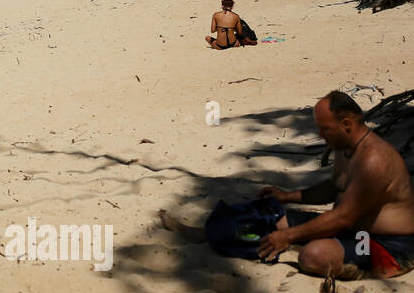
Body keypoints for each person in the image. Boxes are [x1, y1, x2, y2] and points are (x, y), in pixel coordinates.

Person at [161, 91, 414, 280]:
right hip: (348, 226)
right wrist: (288, 196)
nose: (319, 135)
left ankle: (362, 269)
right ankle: (206, 232)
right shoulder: (346, 146)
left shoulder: (374, 161)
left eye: (324, 128)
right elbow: (333, 187)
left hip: (385, 244)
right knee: (269, 211)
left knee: (313, 256)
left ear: (346, 125)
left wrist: (288, 236)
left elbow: (344, 218)